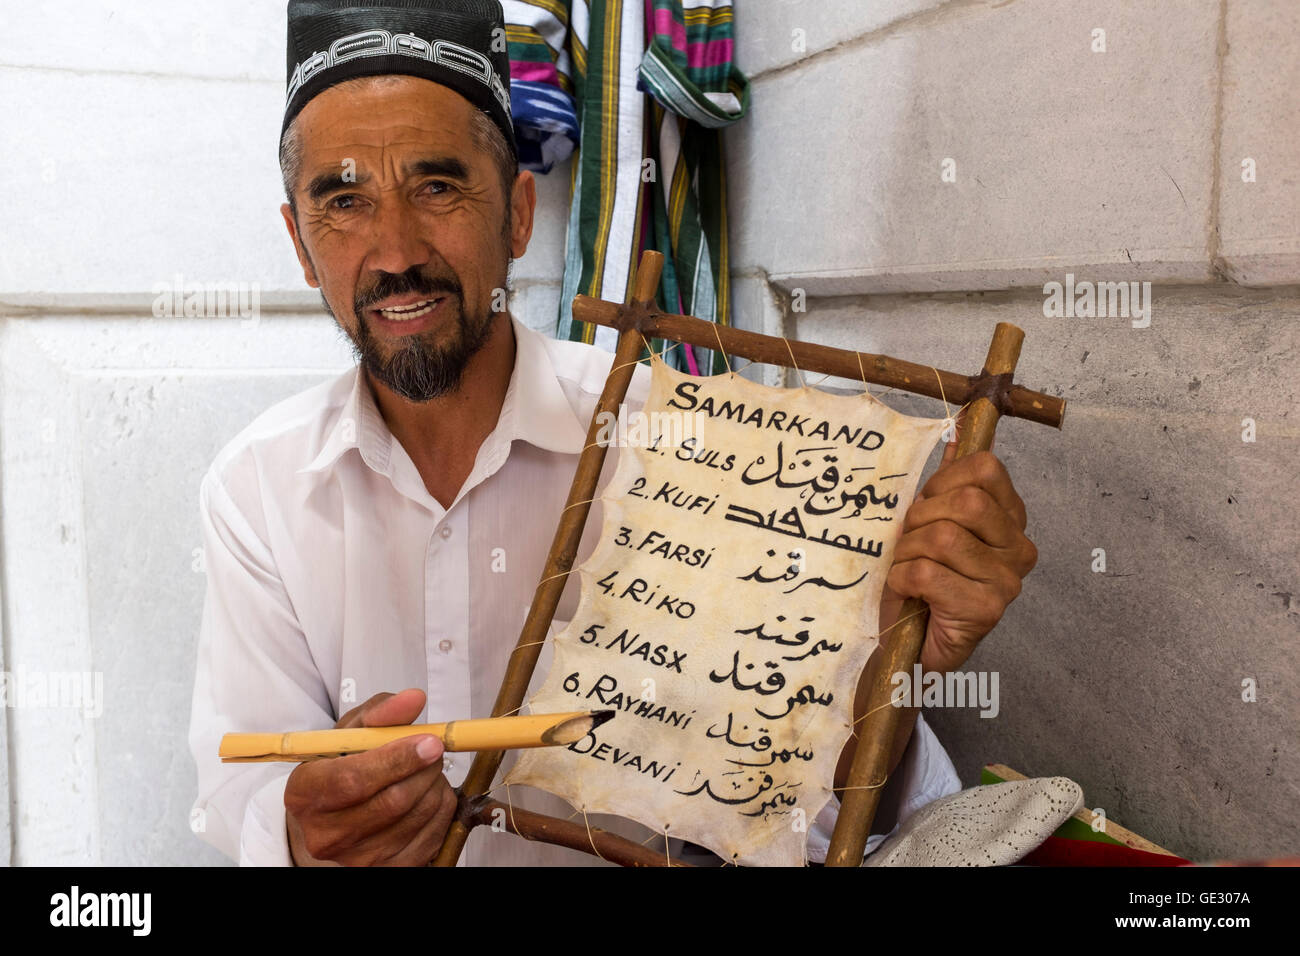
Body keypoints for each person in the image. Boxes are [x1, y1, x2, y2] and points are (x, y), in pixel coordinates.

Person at [188, 0, 1038, 867]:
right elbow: (240, 787)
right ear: (299, 241)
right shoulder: (259, 486)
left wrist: (895, 659)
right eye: (344, 199)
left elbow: (799, 819)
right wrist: (304, 826)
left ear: (517, 212)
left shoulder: (682, 447)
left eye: (437, 186)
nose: (397, 247)